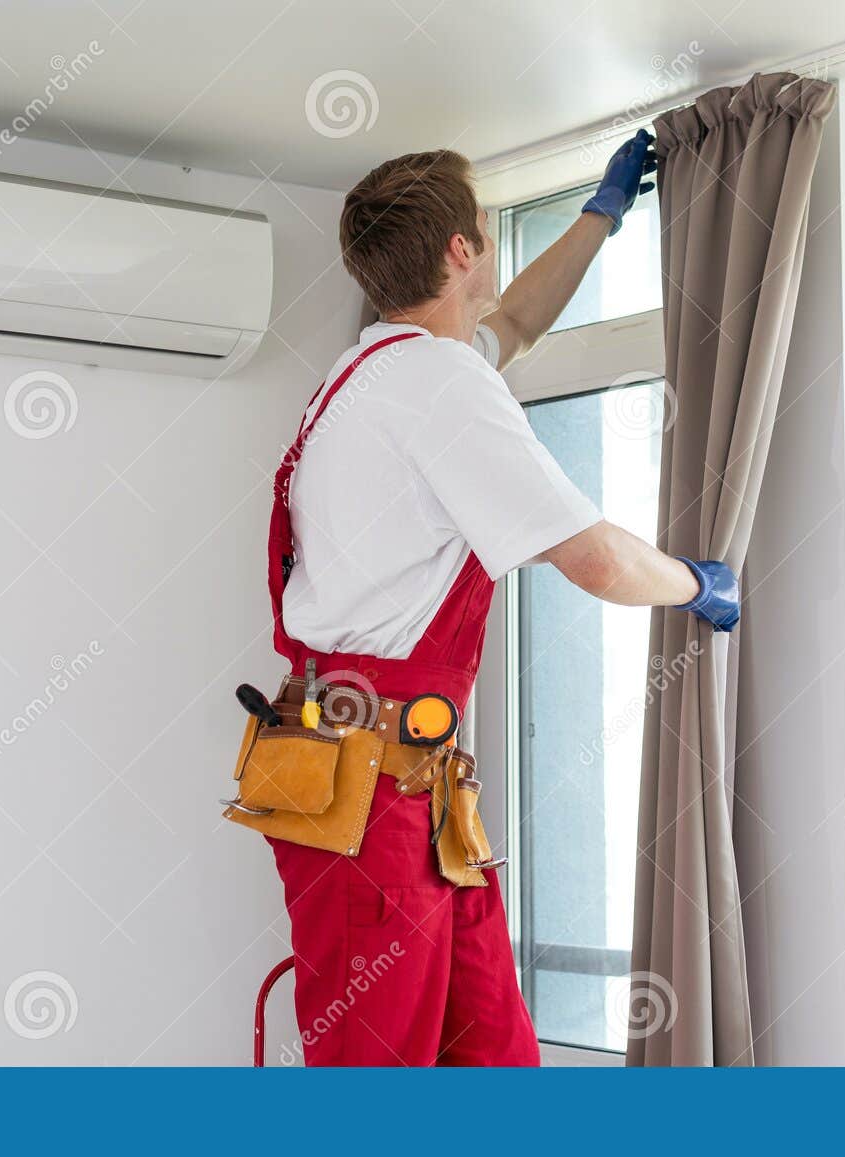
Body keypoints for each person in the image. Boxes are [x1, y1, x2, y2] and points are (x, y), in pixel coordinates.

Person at [256, 130, 739, 1066]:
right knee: (377, 1069)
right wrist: (697, 584)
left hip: (405, 788)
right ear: (463, 249)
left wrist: (599, 223)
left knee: (492, 1054)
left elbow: (511, 325)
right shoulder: (435, 385)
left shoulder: (373, 372)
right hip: (369, 795)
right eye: (487, 224)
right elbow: (593, 559)